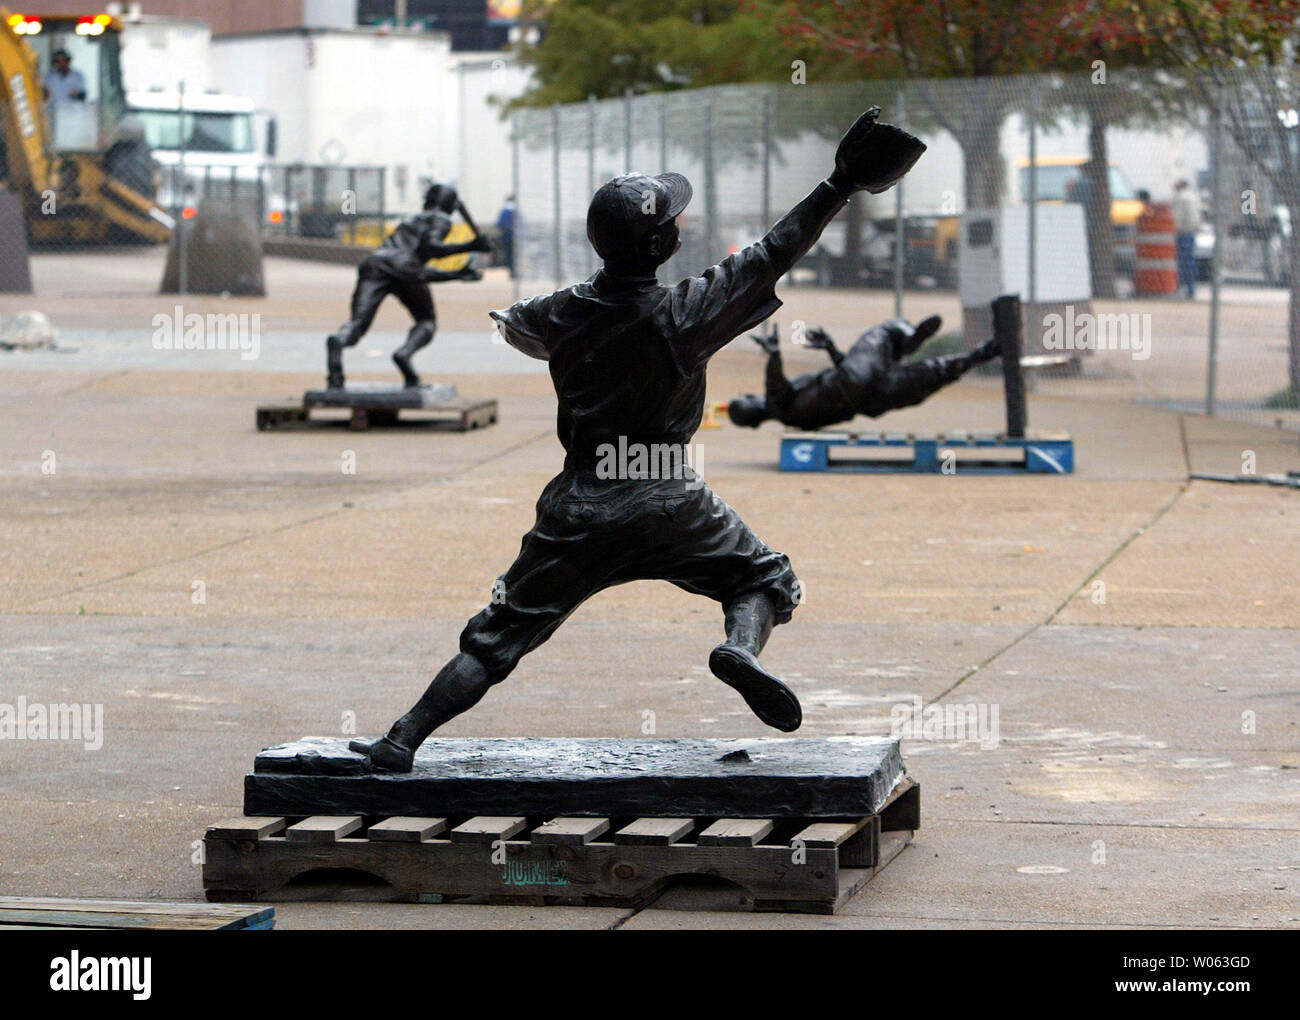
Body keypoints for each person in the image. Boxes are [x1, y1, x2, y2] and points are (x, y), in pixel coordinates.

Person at [349, 107, 926, 772]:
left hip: (580, 504)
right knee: (765, 579)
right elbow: (774, 251)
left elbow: (519, 326)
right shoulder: (688, 312)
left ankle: (402, 740)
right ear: (661, 246)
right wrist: (838, 185)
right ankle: (739, 649)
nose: (679, 224)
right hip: (670, 497)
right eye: (670, 221)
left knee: (494, 640)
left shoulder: (558, 311)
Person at [326, 183, 491, 389]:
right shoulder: (440, 219)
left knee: (358, 323)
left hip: (375, 263)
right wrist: (471, 246)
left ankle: (338, 345)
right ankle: (404, 355)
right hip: (404, 268)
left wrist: (457, 273)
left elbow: (415, 270)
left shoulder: (411, 220)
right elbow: (429, 252)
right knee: (426, 321)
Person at [728, 318, 998, 432]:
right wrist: (774, 354)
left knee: (932, 375)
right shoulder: (778, 407)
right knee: (883, 332)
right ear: (754, 409)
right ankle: (908, 341)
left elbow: (838, 389)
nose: (753, 396)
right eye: (748, 400)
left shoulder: (792, 415)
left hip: (867, 401)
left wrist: (832, 350)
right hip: (852, 380)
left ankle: (985, 353)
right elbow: (776, 384)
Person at [1172, 178, 1201, 298]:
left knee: (1181, 260)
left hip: (1181, 231)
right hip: (1191, 231)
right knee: (1189, 260)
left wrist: (1173, 227)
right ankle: (1191, 287)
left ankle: (1179, 286)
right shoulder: (1194, 196)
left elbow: (1176, 216)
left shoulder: (1180, 198)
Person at [496, 194, 516, 276]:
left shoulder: (505, 211)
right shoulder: (516, 211)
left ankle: (511, 270)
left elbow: (499, 224)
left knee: (508, 254)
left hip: (507, 236)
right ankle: (513, 270)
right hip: (515, 237)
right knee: (513, 255)